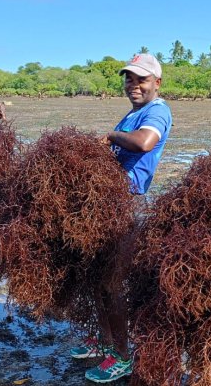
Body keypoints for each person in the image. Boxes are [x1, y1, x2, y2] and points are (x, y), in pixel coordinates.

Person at [71, 53, 173, 384]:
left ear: (157, 83)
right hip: (110, 202)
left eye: (141, 79)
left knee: (113, 283)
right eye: (129, 78)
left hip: (127, 205)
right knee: (98, 279)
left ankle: (122, 356)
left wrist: (112, 137)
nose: (133, 85)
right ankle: (104, 342)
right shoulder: (133, 113)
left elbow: (145, 143)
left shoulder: (157, 111)